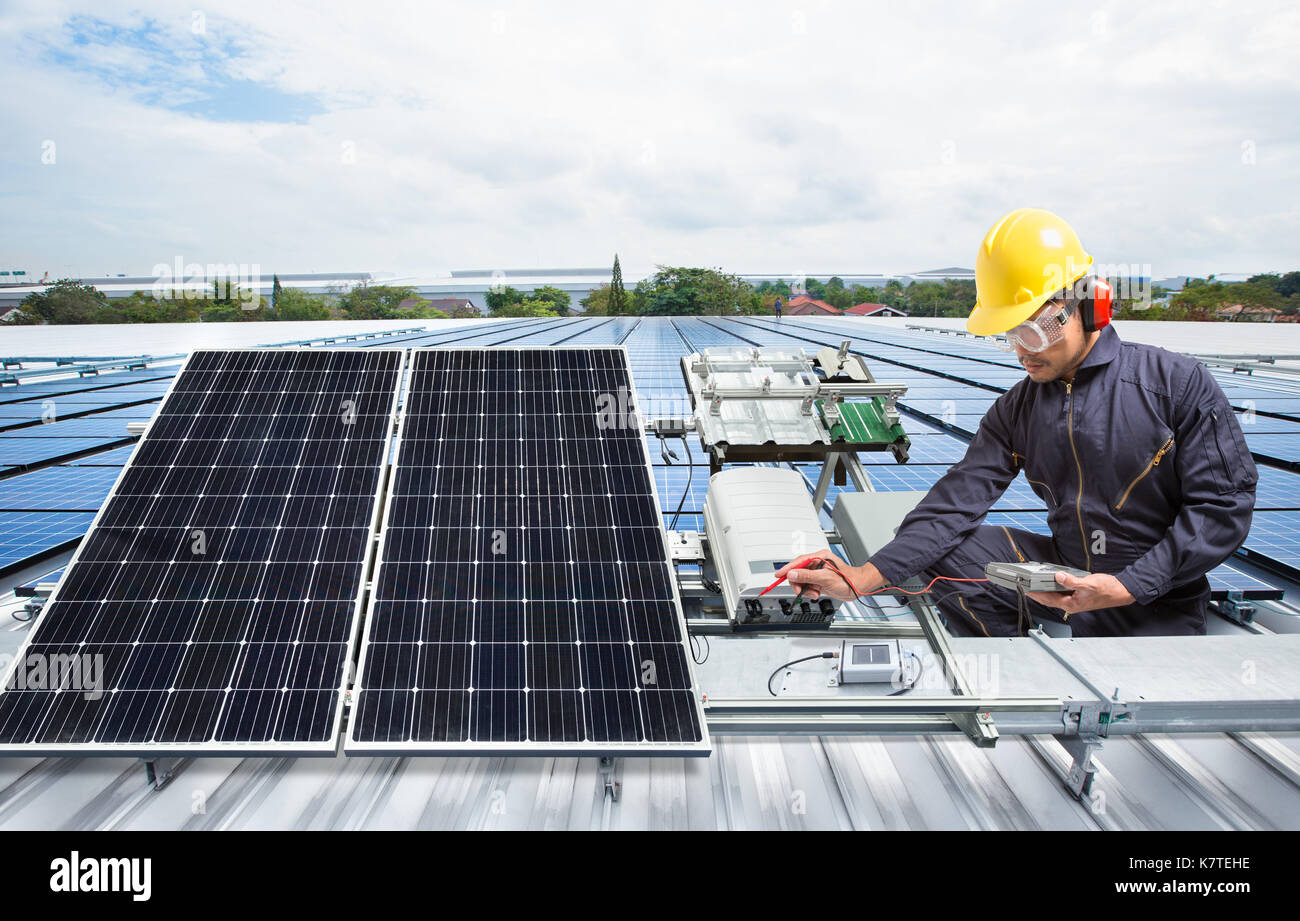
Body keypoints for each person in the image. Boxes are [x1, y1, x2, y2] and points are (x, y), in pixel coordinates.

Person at [777, 208, 1257, 637]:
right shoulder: (1018, 408)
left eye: (1033, 329)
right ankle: (1017, 653)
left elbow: (1223, 506)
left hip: (1156, 599)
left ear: (1090, 305)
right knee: (943, 548)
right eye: (1011, 333)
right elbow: (953, 504)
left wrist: (1127, 585)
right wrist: (863, 577)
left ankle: (1099, 622)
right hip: (1066, 577)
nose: (1022, 350)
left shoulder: (1175, 383)